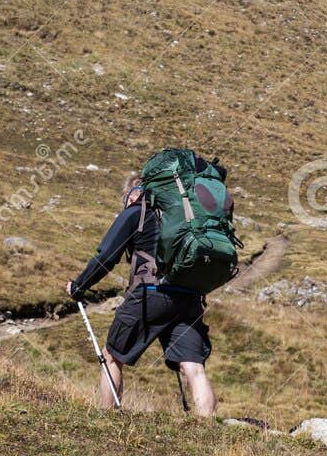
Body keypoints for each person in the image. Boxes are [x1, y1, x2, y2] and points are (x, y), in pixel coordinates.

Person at [67, 167, 217, 417]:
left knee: (112, 356)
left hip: (151, 294)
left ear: (133, 194)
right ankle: (207, 427)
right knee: (193, 366)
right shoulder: (186, 217)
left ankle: (107, 418)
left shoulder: (137, 212)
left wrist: (79, 285)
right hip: (189, 297)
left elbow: (106, 257)